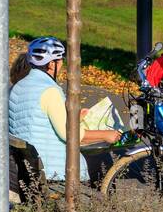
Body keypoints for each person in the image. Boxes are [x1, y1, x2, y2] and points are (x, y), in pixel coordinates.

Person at [7, 36, 120, 184]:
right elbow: (68, 134)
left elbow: (33, 121)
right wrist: (106, 135)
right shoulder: (50, 90)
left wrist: (74, 118)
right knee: (102, 167)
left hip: (26, 170)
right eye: (60, 61)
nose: (61, 65)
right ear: (52, 64)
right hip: (53, 172)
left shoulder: (17, 88)